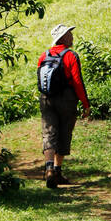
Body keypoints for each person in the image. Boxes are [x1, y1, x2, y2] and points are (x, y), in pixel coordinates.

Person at [37, 23, 91, 190]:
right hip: (66, 99)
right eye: (69, 34)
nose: (72, 36)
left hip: (46, 98)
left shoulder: (43, 56)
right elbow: (77, 81)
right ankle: (58, 170)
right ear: (63, 38)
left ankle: (49, 169)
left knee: (49, 132)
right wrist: (85, 103)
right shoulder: (70, 56)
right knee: (64, 132)